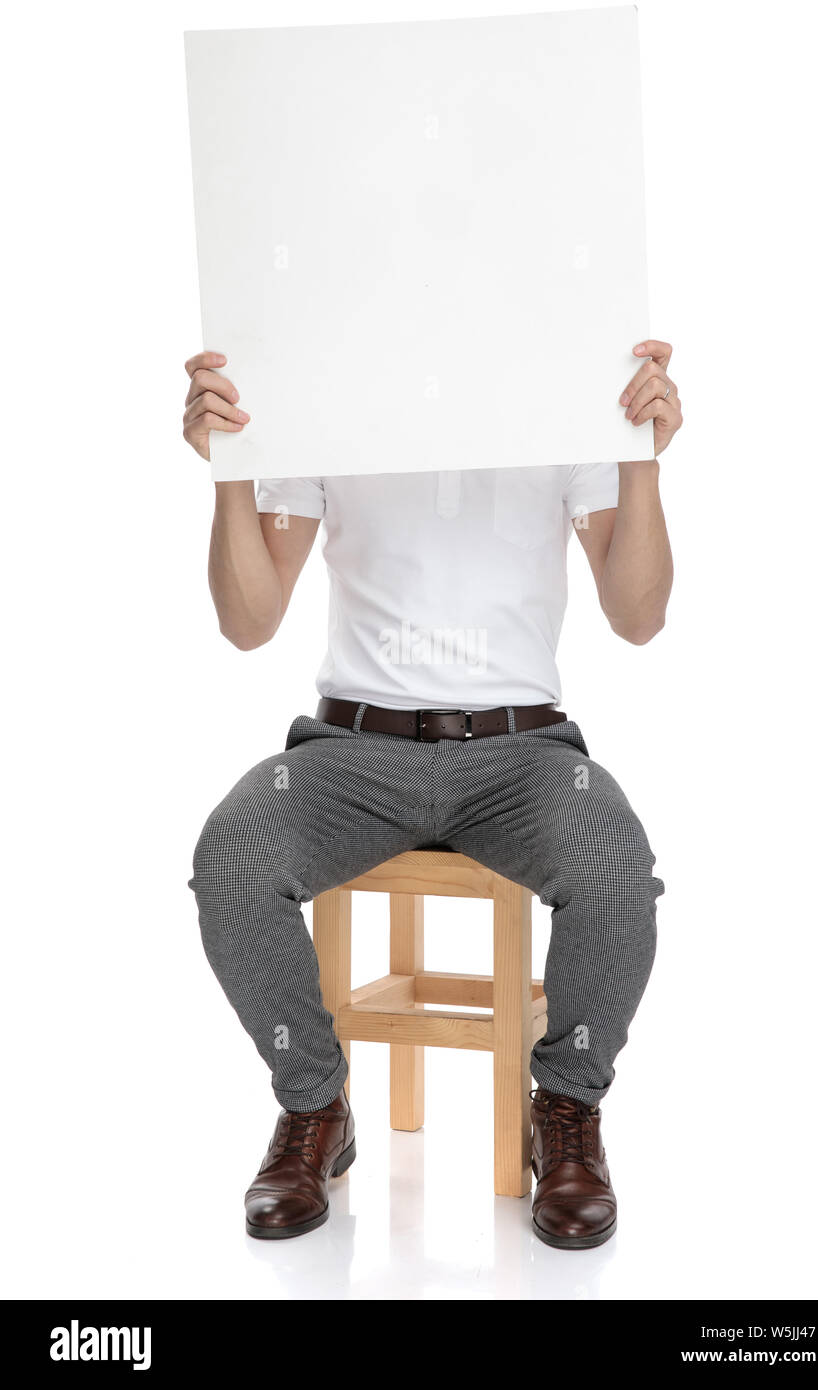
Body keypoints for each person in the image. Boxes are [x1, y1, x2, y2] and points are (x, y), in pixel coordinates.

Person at [185, 341, 681, 1247]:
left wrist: (641, 459)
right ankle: (315, 1107)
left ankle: (566, 1112)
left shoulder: (560, 393)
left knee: (615, 868)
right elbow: (248, 622)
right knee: (232, 855)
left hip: (522, 753)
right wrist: (231, 472)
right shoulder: (328, 391)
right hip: (352, 751)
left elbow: (639, 616)